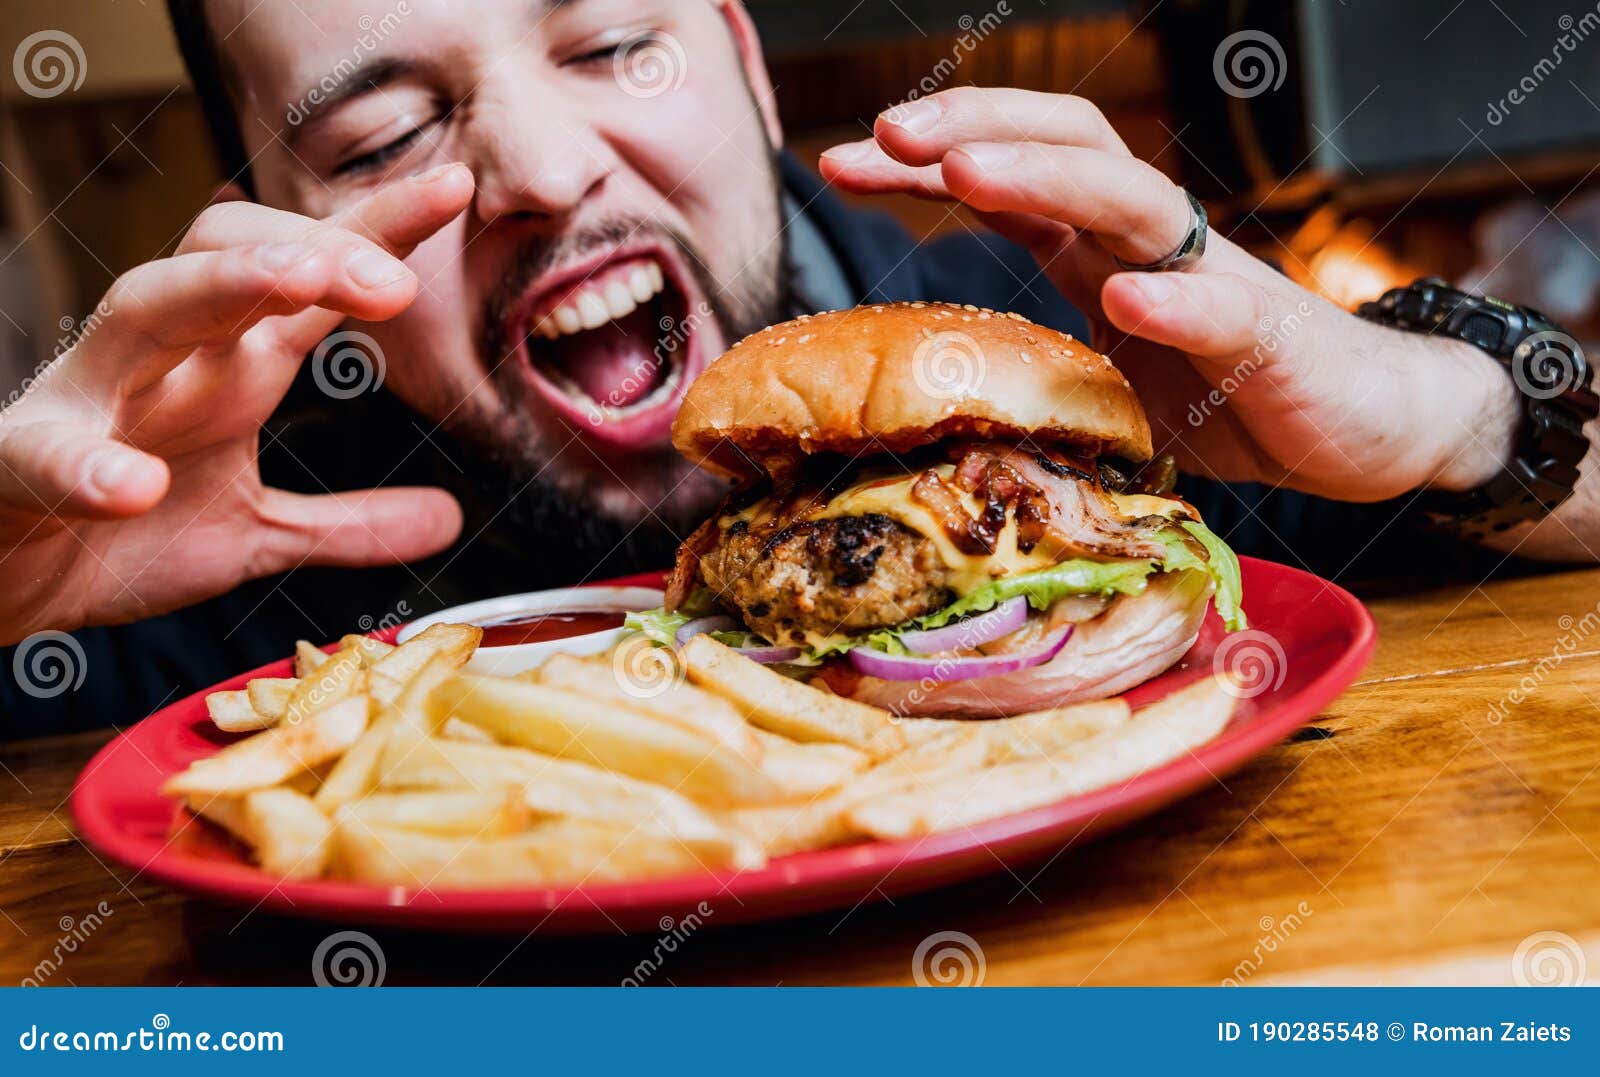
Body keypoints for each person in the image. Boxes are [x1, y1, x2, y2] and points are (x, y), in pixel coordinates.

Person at [0, 0, 1593, 734]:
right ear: (267, 235)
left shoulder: (1056, 356)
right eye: (384, 134)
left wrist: (1440, 408)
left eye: (615, 44)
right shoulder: (198, 531)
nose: (547, 170)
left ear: (749, 70)